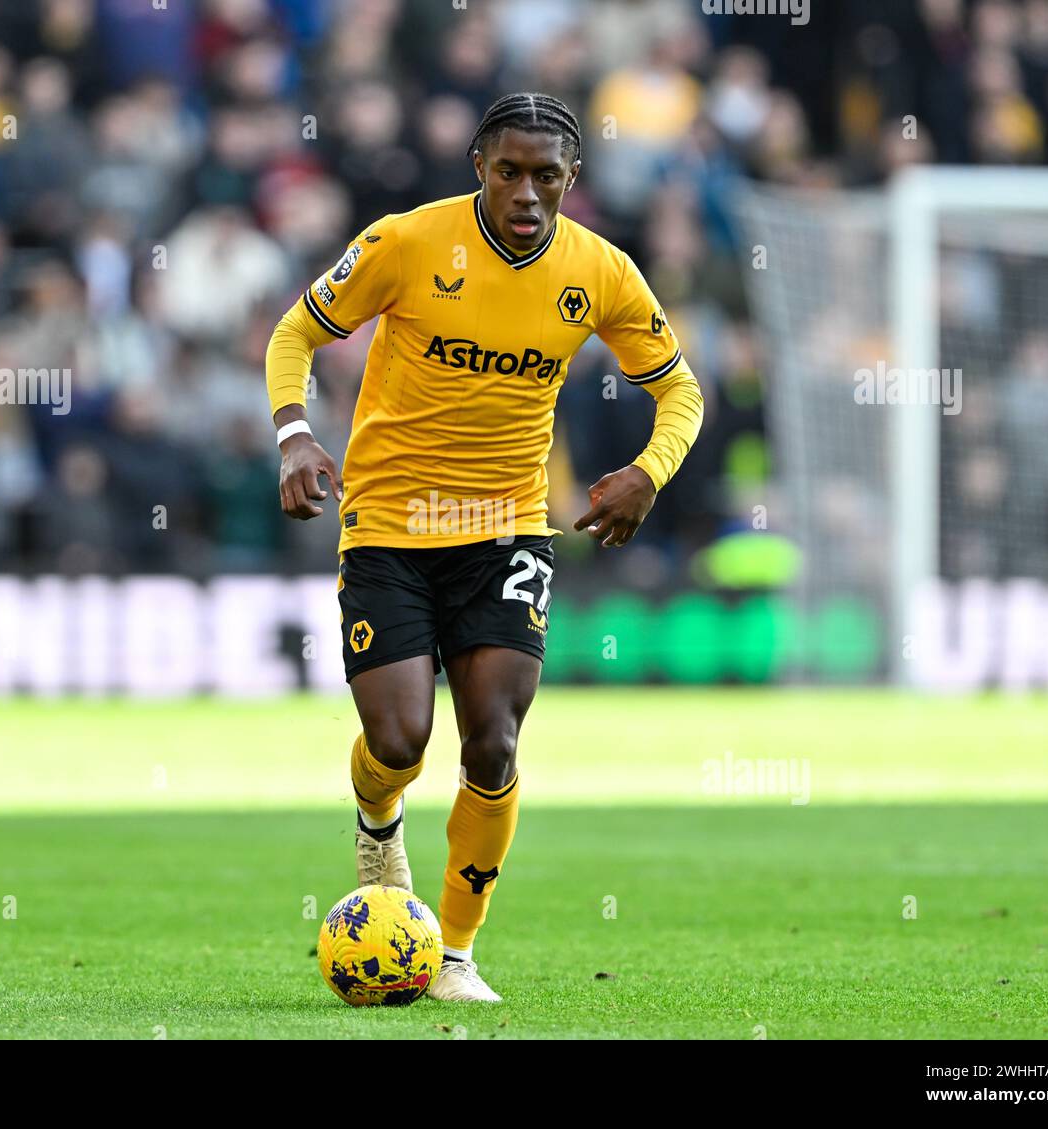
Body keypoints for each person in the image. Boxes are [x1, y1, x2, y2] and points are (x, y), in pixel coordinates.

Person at [264, 92, 703, 1001]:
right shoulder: (406, 243)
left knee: (493, 743)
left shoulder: (603, 272)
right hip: (388, 521)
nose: (529, 193)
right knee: (398, 737)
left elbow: (681, 393)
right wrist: (295, 434)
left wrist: (649, 472)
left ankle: (454, 953)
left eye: (549, 176)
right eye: (511, 172)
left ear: (571, 178)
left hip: (506, 526)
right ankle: (377, 818)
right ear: (480, 169)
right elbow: (297, 330)